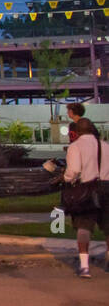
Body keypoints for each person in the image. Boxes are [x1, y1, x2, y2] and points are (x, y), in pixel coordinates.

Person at [61, 118, 108, 278]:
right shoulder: (105, 145)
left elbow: (73, 171)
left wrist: (66, 178)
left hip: (87, 190)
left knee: (83, 226)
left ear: (77, 132)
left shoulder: (75, 146)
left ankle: (85, 266)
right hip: (107, 189)